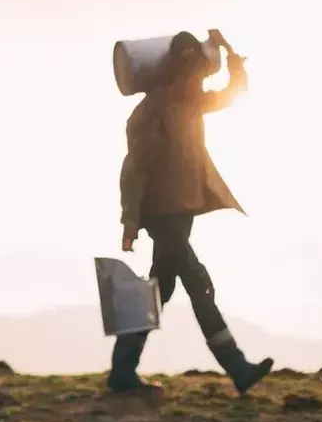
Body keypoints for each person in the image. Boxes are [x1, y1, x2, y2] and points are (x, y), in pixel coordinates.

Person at [111, 30, 273, 394]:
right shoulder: (154, 110)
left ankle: (122, 371)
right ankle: (237, 367)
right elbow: (134, 169)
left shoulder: (191, 102)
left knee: (160, 289)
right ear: (176, 68)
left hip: (180, 212)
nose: (199, 74)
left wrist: (231, 55)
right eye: (192, 67)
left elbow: (234, 93)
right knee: (197, 282)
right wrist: (131, 221)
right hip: (161, 214)